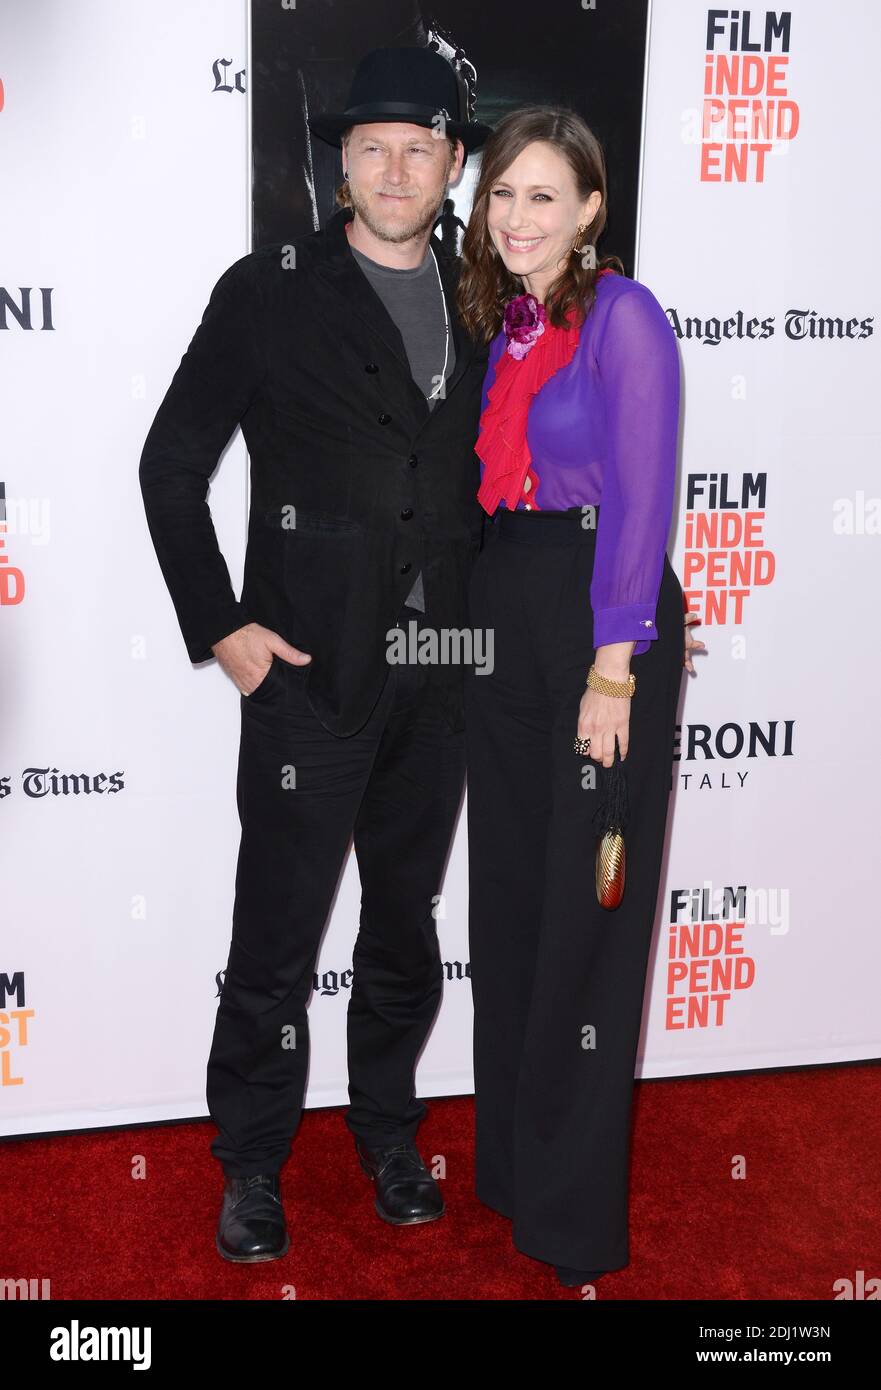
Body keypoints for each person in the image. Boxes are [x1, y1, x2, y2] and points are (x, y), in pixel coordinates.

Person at [138, 45, 493, 1262]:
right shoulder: (269, 287)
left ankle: (389, 1131)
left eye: (420, 146)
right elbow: (169, 465)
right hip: (304, 673)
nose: (396, 168)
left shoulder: (490, 298)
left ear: (453, 164)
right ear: (340, 165)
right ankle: (249, 1162)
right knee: (277, 935)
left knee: (403, 921)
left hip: (442, 668)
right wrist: (221, 627)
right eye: (371, 147)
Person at [458, 105, 704, 1289]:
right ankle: (505, 1163)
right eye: (501, 194)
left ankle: (566, 1217)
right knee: (507, 894)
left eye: (543, 197)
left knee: (586, 911)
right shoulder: (504, 323)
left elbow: (643, 495)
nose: (514, 218)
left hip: (598, 620)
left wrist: (617, 665)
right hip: (507, 608)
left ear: (592, 210)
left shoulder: (625, 318)